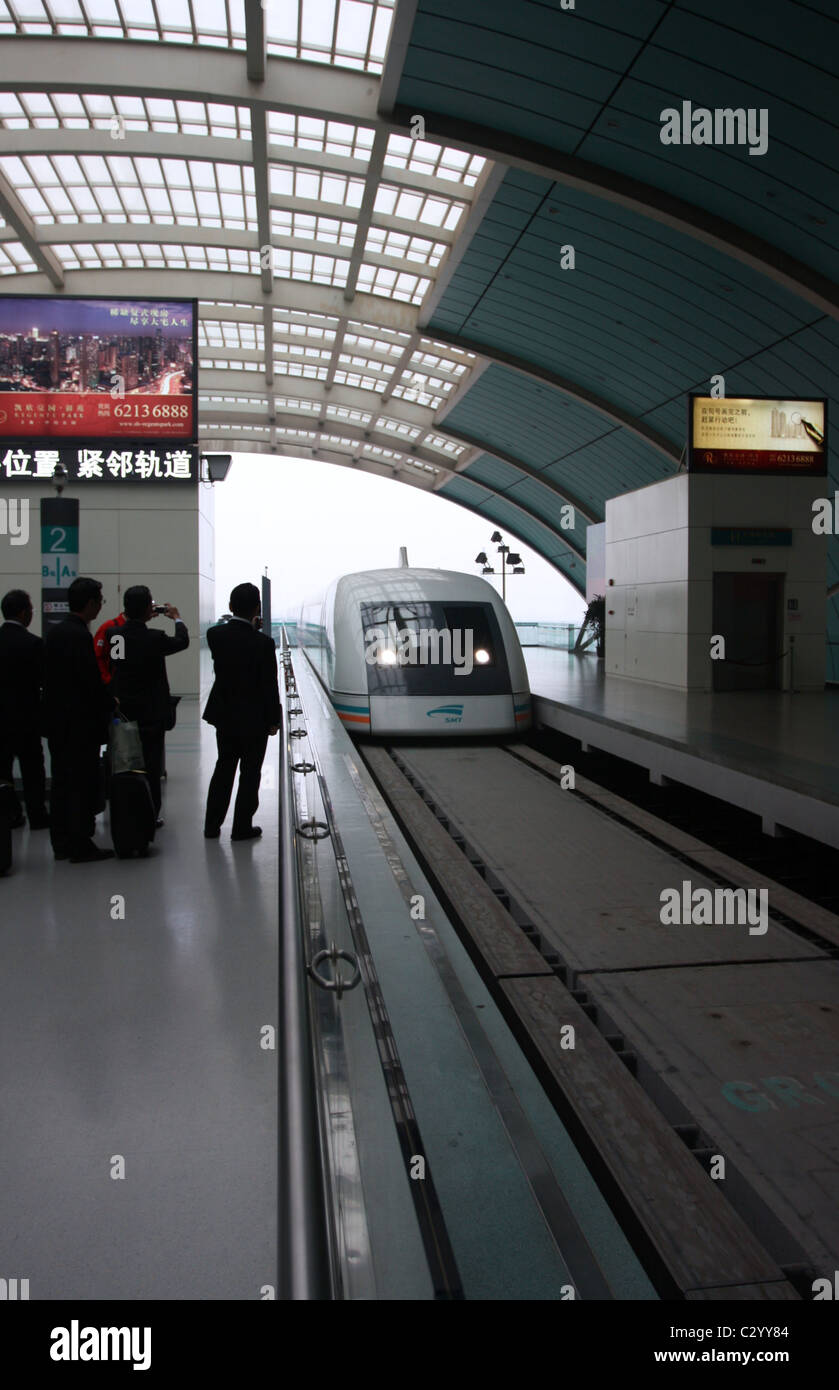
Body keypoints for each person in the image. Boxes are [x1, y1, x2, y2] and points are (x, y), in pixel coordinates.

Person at [42, 576, 115, 863]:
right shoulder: (79, 635)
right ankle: (80, 843)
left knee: (61, 783)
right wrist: (109, 702)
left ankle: (60, 841)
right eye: (99, 601)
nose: (100, 607)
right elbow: (88, 682)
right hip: (78, 725)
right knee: (80, 784)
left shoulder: (56, 632)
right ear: (90, 603)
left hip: (57, 722)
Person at [203, 582, 280, 841]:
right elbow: (269, 685)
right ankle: (241, 828)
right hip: (255, 719)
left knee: (223, 768)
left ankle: (212, 826)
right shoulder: (264, 644)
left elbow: (232, 642)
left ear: (230, 607)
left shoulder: (216, 636)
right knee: (250, 773)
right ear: (257, 608)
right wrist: (274, 720)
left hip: (224, 715)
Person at [109, 586, 189, 824]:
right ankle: (150, 815)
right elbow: (182, 641)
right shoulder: (154, 638)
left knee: (126, 765)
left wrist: (139, 618)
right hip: (152, 713)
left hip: (125, 712)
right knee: (152, 767)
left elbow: (118, 663)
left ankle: (126, 815)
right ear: (147, 608)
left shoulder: (116, 636)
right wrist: (177, 618)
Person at [0, 589, 49, 830]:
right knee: (32, 771)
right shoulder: (33, 644)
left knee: (3, 770)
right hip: (27, 717)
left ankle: (9, 814)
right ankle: (37, 815)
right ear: (22, 613)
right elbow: (44, 680)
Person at [93, 606, 127, 685]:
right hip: (112, 683)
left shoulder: (138, 630)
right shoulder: (110, 626)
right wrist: (107, 679)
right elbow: (97, 656)